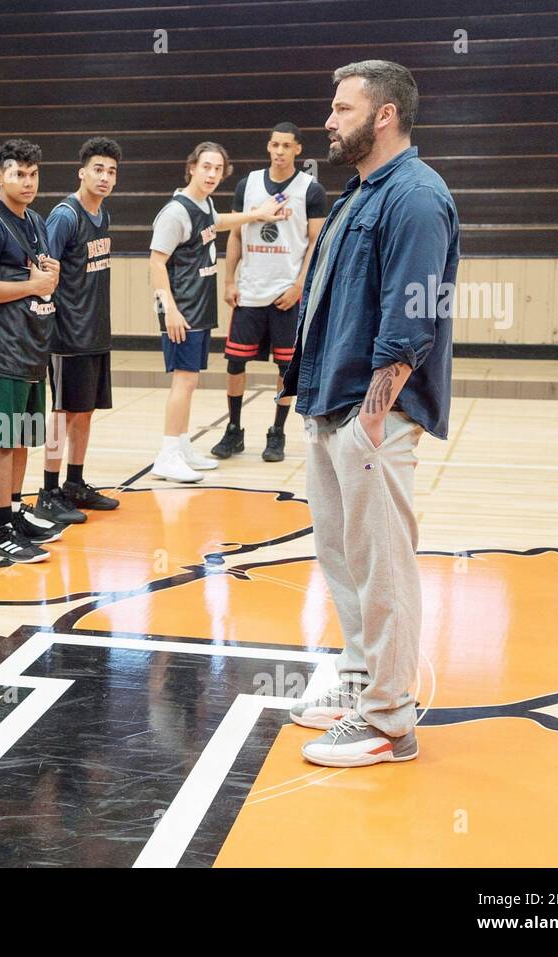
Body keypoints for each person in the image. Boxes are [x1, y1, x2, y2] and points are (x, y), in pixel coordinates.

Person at [282, 60, 458, 768]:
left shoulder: (416, 196)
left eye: (341, 108)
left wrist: (375, 416)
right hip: (330, 403)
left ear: (383, 115)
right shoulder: (360, 192)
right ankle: (363, 685)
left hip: (370, 412)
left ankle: (389, 718)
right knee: (346, 558)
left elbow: (413, 318)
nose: (328, 120)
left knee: (381, 564)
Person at [148, 142, 289, 482]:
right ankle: (167, 454)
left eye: (217, 168)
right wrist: (170, 310)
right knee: (182, 382)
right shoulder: (176, 211)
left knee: (190, 381)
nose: (212, 174)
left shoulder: (203, 204)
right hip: (181, 308)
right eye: (206, 167)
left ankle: (181, 447)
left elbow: (219, 221)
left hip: (197, 307)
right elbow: (156, 260)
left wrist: (257, 214)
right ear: (192, 167)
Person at [0, 138, 67, 563]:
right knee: (1, 441)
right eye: (18, 173)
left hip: (32, 345)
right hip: (0, 350)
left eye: (32, 174)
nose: (26, 181)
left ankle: (17, 511)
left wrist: (49, 275)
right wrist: (33, 285)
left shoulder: (36, 221)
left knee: (23, 437)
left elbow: (40, 277)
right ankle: (0, 526)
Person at [213, 122, 326, 462]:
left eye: (286, 146)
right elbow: (234, 234)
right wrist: (229, 280)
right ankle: (234, 431)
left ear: (298, 150)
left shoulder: (310, 189)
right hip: (250, 291)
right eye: (275, 145)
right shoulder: (248, 185)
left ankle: (276, 433)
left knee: (285, 370)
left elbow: (315, 244)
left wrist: (300, 286)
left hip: (286, 295)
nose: (279, 151)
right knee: (234, 364)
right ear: (268, 146)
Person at [34, 136, 123, 525]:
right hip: (66, 334)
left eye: (111, 172)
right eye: (98, 170)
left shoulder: (103, 215)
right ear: (82, 172)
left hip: (95, 331)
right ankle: (48, 490)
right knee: (60, 412)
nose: (105, 178)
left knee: (84, 412)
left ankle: (74, 483)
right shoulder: (65, 217)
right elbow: (43, 270)